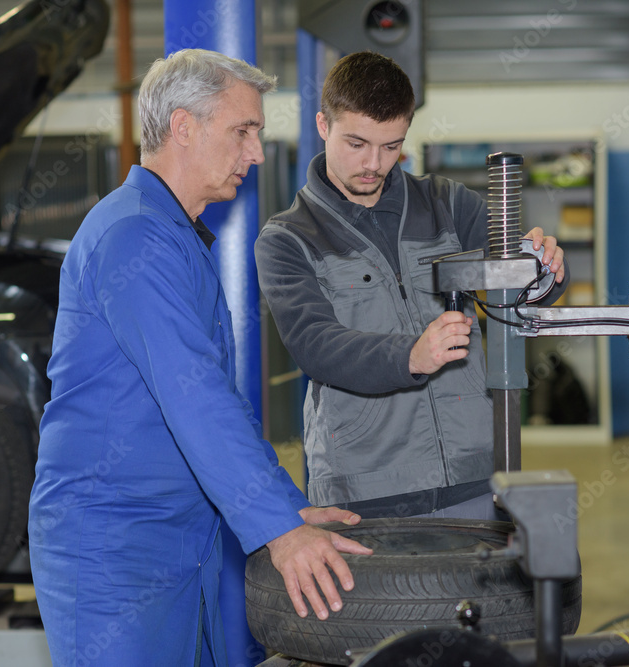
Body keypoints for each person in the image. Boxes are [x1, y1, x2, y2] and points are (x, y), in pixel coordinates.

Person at [28, 49, 372, 667]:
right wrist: (282, 529)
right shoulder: (132, 235)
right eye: (244, 130)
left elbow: (217, 395)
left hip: (181, 539)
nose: (258, 152)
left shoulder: (173, 235)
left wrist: (284, 507)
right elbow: (196, 402)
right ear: (183, 127)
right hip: (113, 547)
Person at [255, 51, 569, 522]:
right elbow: (316, 345)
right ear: (323, 124)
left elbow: (521, 292)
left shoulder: (447, 204)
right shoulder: (287, 239)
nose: (373, 164)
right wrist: (411, 356)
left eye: (390, 146)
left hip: (475, 475)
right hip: (365, 487)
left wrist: (545, 267)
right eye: (357, 144)